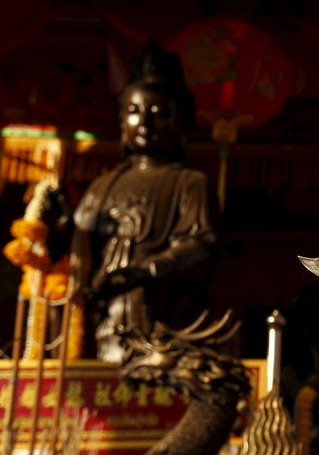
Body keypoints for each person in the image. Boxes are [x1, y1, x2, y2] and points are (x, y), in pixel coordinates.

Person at [70, 41, 216, 362]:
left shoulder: (189, 182)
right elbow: (81, 246)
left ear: (179, 123)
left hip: (162, 311)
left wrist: (148, 269)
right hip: (106, 311)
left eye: (158, 113)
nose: (145, 123)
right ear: (122, 122)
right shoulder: (104, 185)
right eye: (134, 112)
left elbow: (199, 244)